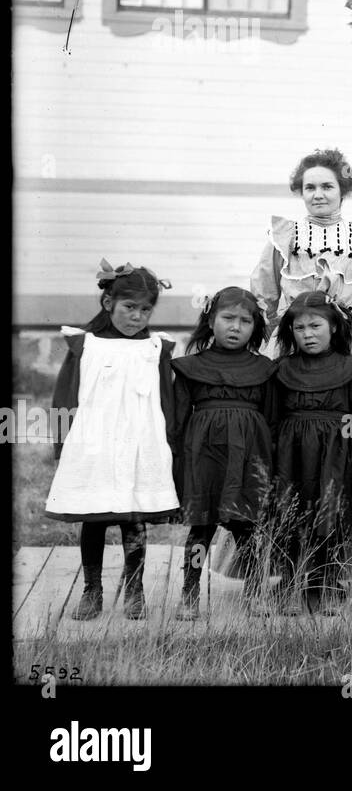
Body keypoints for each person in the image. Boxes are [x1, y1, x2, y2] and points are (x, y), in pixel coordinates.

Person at [46, 261, 180, 621]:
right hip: (95, 445)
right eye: (129, 308)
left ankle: (134, 589)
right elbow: (65, 397)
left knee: (133, 519)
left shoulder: (154, 349)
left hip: (140, 445)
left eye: (144, 309)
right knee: (95, 517)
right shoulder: (86, 346)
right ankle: (92, 589)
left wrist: (169, 443)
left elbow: (166, 400)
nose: (136, 317)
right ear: (108, 303)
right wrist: (63, 447)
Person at [172, 287, 276, 619]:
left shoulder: (265, 370)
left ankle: (256, 592)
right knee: (201, 531)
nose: (236, 327)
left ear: (255, 326)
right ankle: (189, 592)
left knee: (250, 530)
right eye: (228, 318)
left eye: (246, 321)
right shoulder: (191, 368)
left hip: (249, 460)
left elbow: (272, 420)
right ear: (210, 320)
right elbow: (176, 421)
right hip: (205, 461)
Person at [269, 290, 352, 615]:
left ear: (335, 327)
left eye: (315, 326)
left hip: (334, 453)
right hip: (291, 454)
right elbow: (274, 414)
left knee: (330, 515)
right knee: (290, 515)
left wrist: (347, 453)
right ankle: (289, 581)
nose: (308, 334)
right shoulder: (282, 369)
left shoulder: (350, 368)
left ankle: (325, 581)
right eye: (300, 328)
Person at [250, 147, 352, 358]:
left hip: (343, 345)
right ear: (301, 192)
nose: (318, 195)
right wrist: (283, 335)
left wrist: (348, 338)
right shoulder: (285, 237)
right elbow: (265, 298)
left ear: (342, 190)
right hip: (291, 344)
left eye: (327, 187)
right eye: (310, 187)